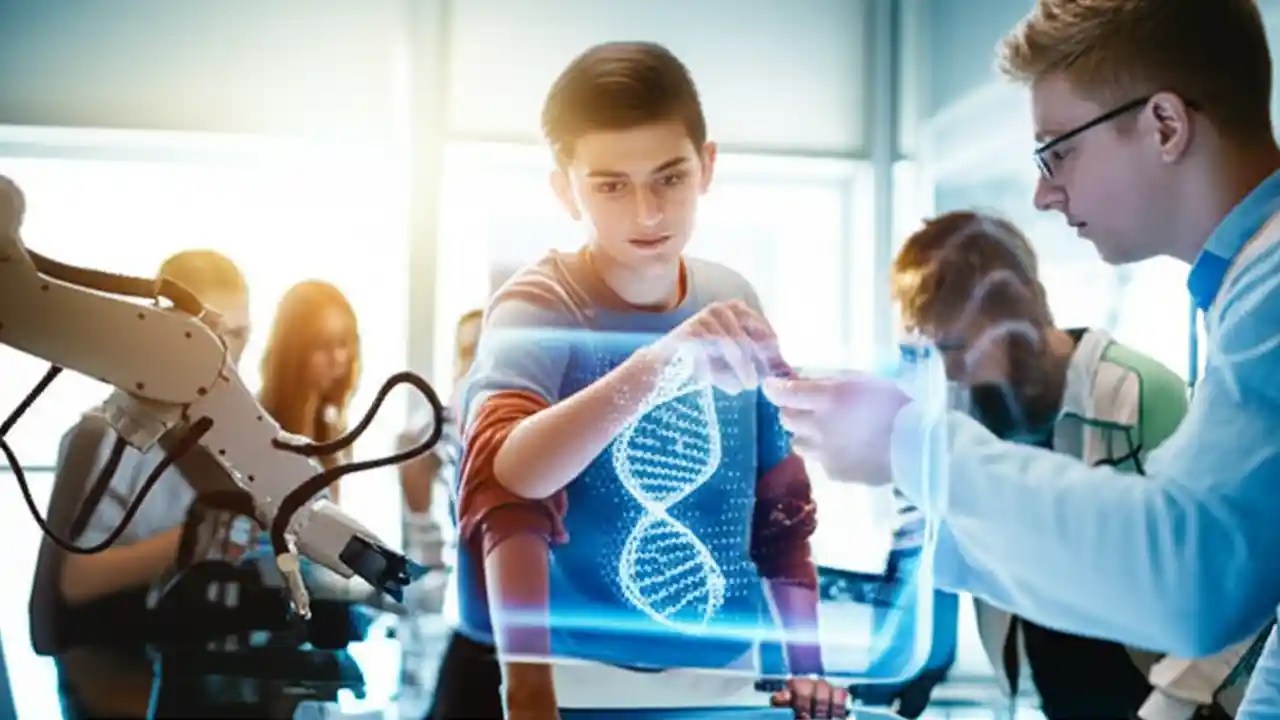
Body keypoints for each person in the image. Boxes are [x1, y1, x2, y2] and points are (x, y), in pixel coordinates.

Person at [762, 0, 1280, 715]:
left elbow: (1196, 582)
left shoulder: (1271, 290)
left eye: (1057, 150)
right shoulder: (1245, 290)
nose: (1043, 192)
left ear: (1166, 124)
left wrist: (910, 445)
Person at [451, 41, 843, 720]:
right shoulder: (538, 304)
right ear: (563, 188)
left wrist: (807, 673)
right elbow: (506, 479)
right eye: (611, 185)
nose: (648, 214)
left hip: (733, 678)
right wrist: (529, 694)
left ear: (707, 166)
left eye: (669, 177)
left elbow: (778, 506)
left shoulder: (734, 293)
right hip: (580, 684)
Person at [890, 210, 1200, 717]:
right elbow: (925, 554)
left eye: (957, 347)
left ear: (1019, 316)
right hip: (1045, 686)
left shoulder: (1142, 391)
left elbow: (1203, 567)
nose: (950, 371)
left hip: (1154, 685)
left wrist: (1175, 705)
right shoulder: (957, 403)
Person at [29, 249, 251, 654]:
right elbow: (74, 581)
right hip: (116, 675)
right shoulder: (111, 437)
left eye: (239, 334)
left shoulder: (240, 436)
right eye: (212, 334)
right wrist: (194, 541)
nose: (227, 352)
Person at [258, 280, 360, 502]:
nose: (338, 358)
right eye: (323, 345)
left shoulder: (329, 424)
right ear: (294, 351)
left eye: (344, 343)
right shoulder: (260, 427)